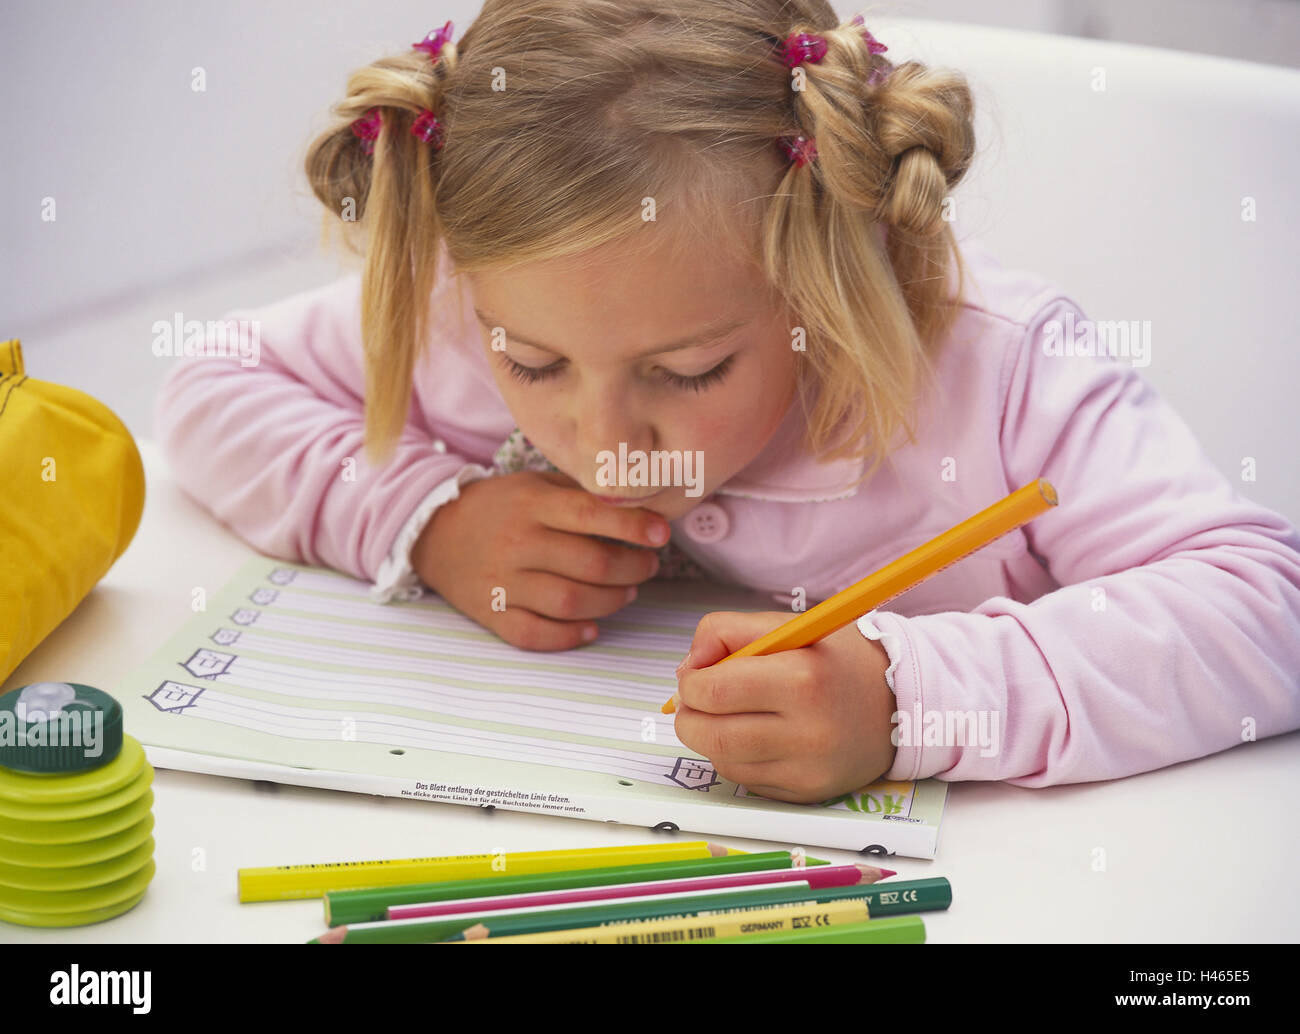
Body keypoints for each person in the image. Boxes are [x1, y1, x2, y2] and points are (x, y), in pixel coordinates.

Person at [155, 1, 1300, 804]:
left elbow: (1265, 609)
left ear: (828, 274)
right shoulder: (469, 305)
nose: (605, 446)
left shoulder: (997, 374)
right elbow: (210, 378)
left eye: (690, 370)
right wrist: (430, 514)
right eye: (535, 368)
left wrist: (911, 705)